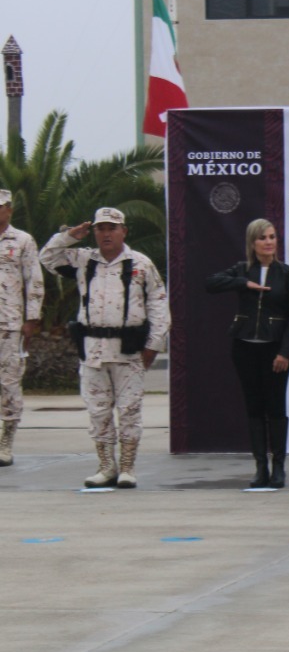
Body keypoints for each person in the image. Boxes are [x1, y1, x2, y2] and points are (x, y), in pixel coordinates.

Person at [40, 208, 171, 488]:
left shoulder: (140, 264)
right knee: (98, 411)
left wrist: (154, 345)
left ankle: (127, 467)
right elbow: (47, 258)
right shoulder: (84, 260)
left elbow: (159, 304)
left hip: (129, 350)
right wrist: (68, 237)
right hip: (93, 350)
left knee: (129, 411)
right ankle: (106, 467)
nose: (106, 233)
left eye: (112, 228)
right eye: (101, 228)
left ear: (124, 231)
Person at [204, 219, 289, 488]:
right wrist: (243, 284)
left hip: (275, 350)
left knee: (275, 406)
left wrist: (284, 351)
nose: (269, 242)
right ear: (252, 242)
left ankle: (279, 466)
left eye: (272, 237)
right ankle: (261, 467)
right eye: (262, 238)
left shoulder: (287, 273)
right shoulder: (242, 270)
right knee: (254, 407)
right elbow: (210, 283)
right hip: (245, 347)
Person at [0, 189, 44, 467]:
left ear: (9, 210)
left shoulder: (23, 240)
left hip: (10, 324)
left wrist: (32, 319)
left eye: (0, 207)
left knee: (9, 384)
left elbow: (34, 281)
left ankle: (6, 441)